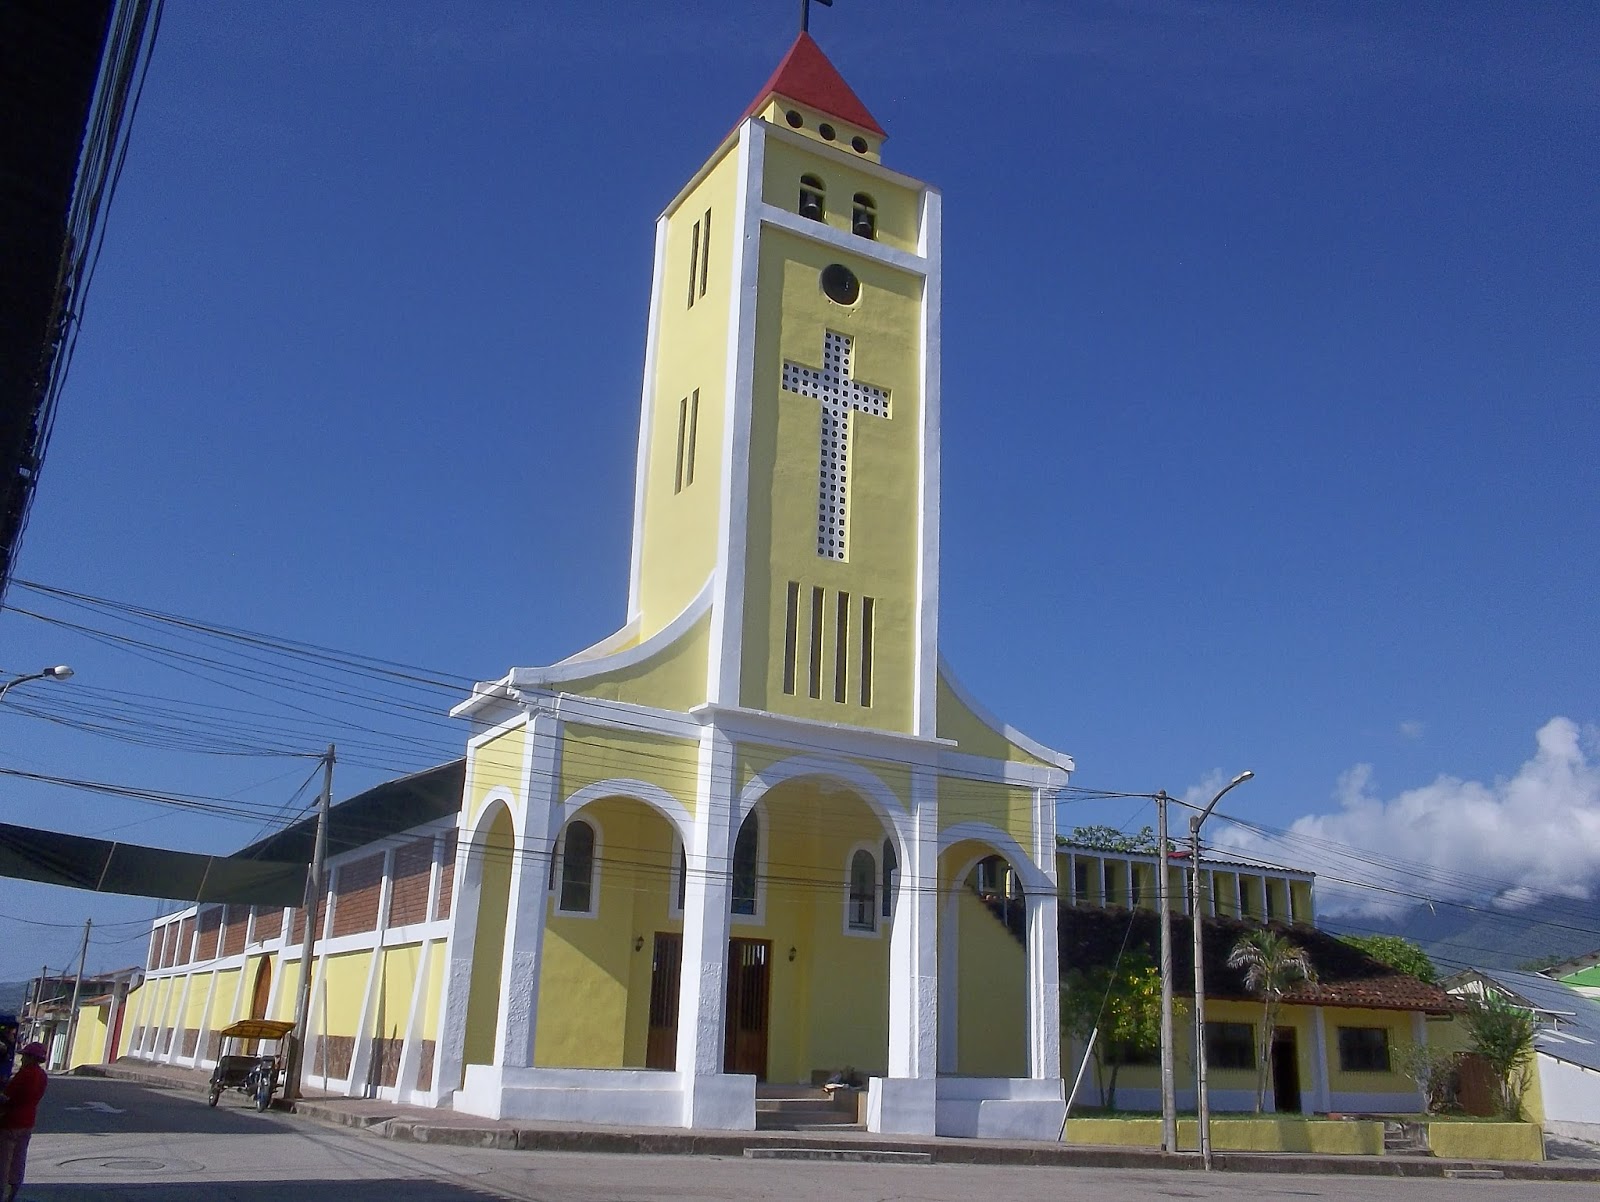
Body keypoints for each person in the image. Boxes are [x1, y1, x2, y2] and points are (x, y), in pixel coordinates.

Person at [0, 1042, 47, 1202]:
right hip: (28, 1123)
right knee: (18, 1161)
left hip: (10, 1122)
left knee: (4, 1162)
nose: (22, 1059)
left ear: (31, 1058)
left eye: (24, 1056)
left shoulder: (24, 1074)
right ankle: (12, 1192)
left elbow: (7, 1097)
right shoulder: (42, 1076)